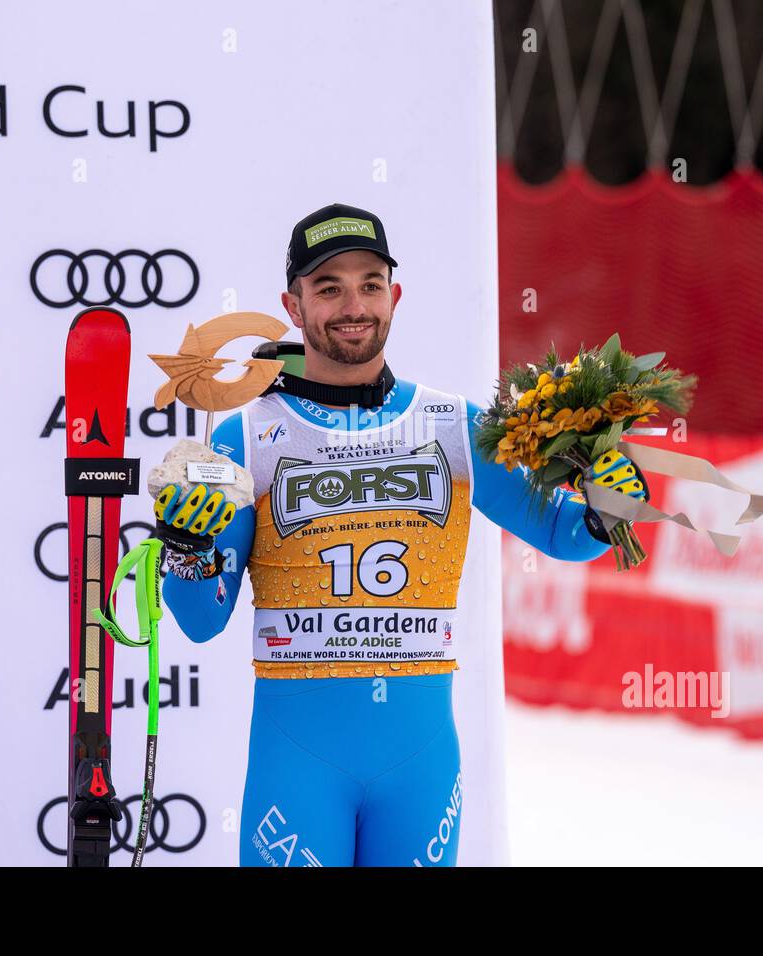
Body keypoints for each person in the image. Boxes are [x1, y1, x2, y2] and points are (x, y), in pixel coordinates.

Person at [152, 202, 648, 866]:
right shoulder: (246, 438)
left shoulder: (457, 426)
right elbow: (200, 622)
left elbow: (565, 534)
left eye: (369, 284)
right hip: (297, 770)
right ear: (293, 306)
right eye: (328, 287)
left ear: (396, 295)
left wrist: (609, 497)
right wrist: (187, 550)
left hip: (419, 768)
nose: (353, 304)